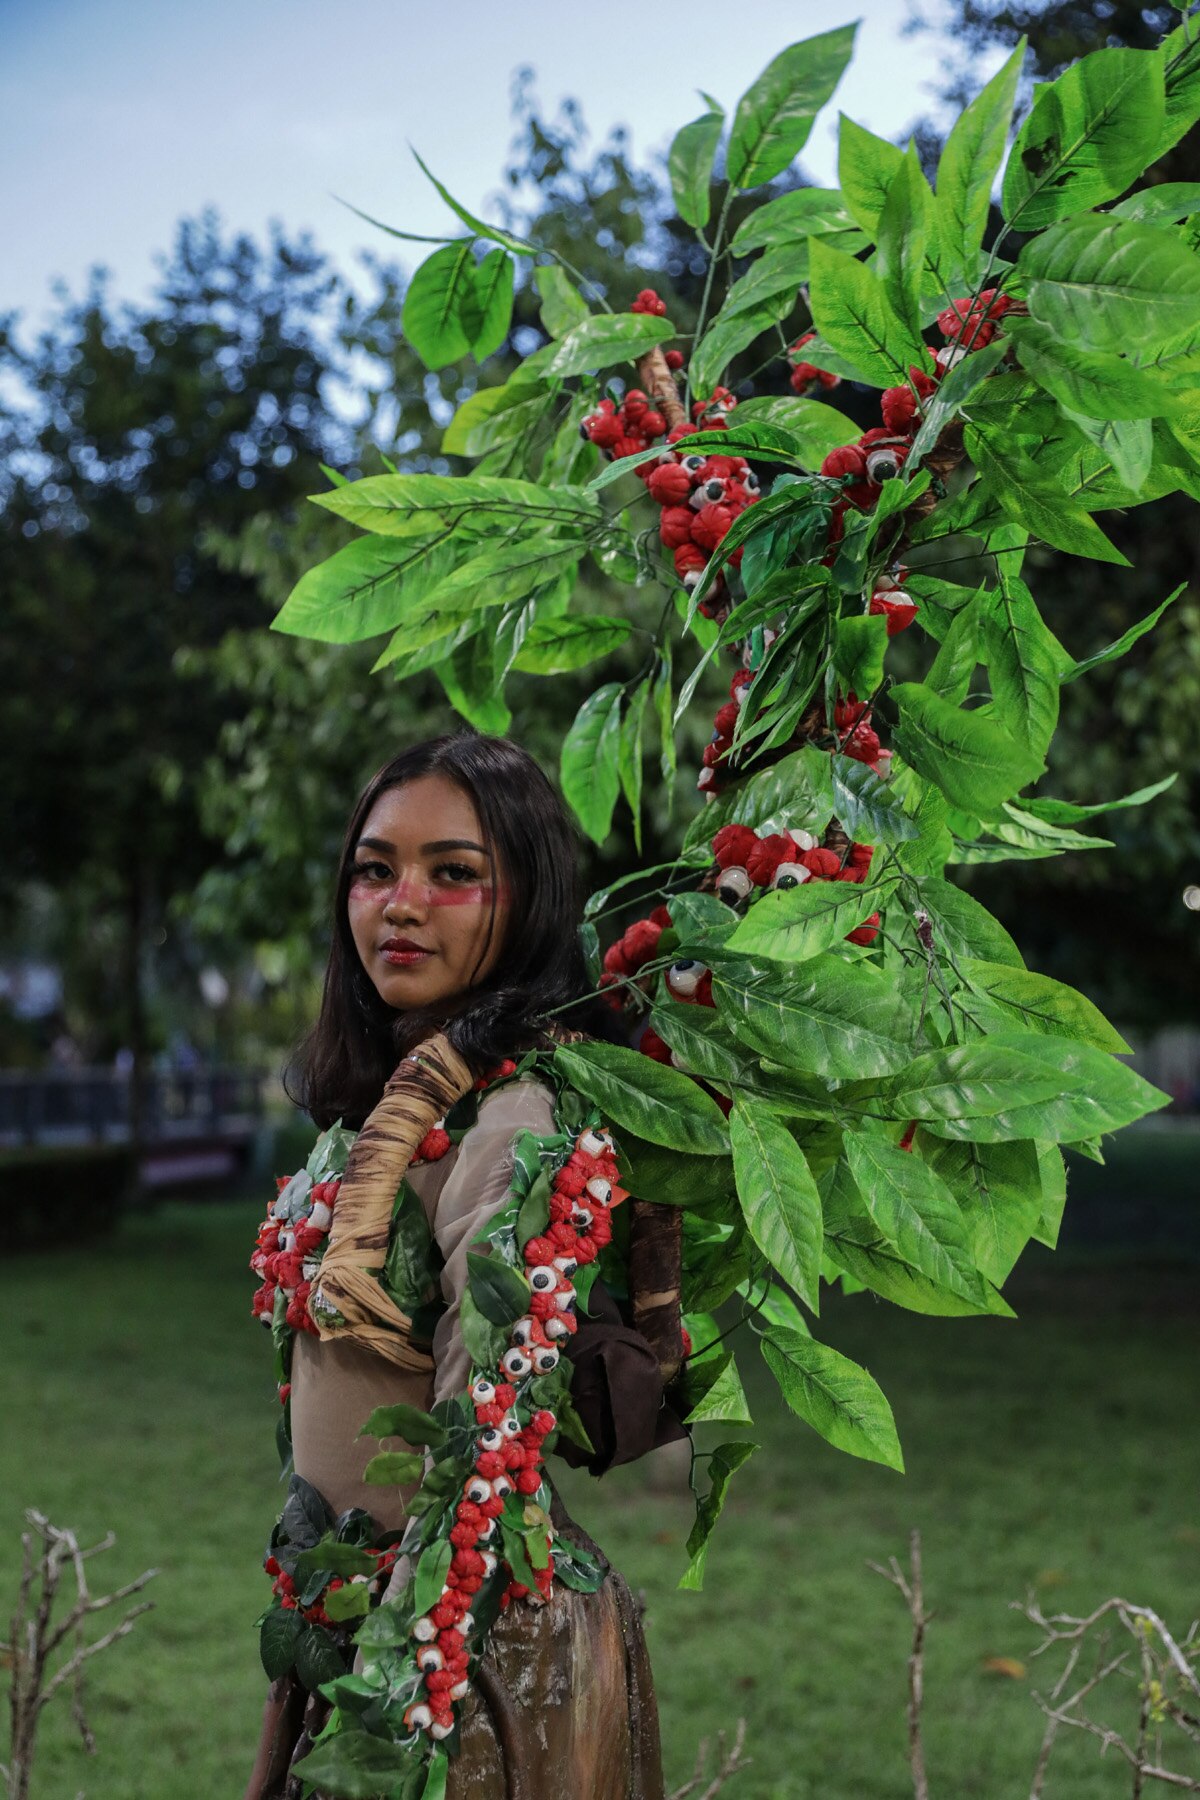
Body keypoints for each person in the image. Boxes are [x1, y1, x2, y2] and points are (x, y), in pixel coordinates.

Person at [244, 734, 672, 1800]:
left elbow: (484, 1434)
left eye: (453, 873)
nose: (401, 903)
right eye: (375, 869)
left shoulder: (513, 1117)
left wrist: (406, 1694)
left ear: (523, 900)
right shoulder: (391, 1101)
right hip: (369, 1623)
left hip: (475, 1657)